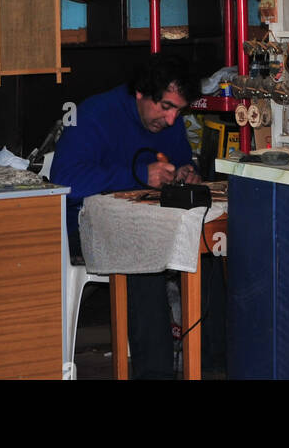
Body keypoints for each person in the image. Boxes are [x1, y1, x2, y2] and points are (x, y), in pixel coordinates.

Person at [51, 54, 225, 379]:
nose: (172, 120)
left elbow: (182, 161)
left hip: (147, 219)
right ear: (140, 94)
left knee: (209, 245)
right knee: (143, 258)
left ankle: (212, 362)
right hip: (83, 223)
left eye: (179, 110)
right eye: (165, 107)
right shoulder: (93, 114)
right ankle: (155, 373)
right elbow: (65, 180)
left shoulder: (167, 124)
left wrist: (187, 172)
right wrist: (140, 174)